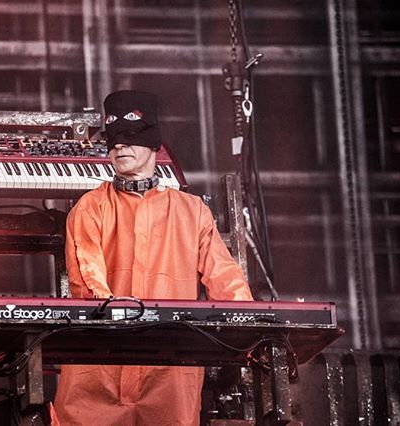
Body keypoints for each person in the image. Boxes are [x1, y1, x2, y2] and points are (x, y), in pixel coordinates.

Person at [53, 90, 253, 426]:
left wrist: (249, 329)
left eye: (130, 136)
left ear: (154, 143)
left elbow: (225, 278)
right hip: (101, 368)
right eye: (113, 139)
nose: (120, 146)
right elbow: (88, 280)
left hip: (170, 372)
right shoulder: (90, 207)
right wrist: (117, 318)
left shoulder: (192, 212)